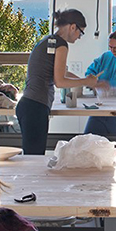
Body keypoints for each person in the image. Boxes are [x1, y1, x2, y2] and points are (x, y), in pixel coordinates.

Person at [16, 8, 109, 156]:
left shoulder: (49, 41)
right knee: (33, 159)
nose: (79, 37)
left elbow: (62, 72)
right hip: (36, 106)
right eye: (81, 32)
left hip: (28, 105)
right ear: (73, 27)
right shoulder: (61, 45)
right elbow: (60, 81)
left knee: (31, 155)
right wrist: (87, 81)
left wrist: (91, 83)